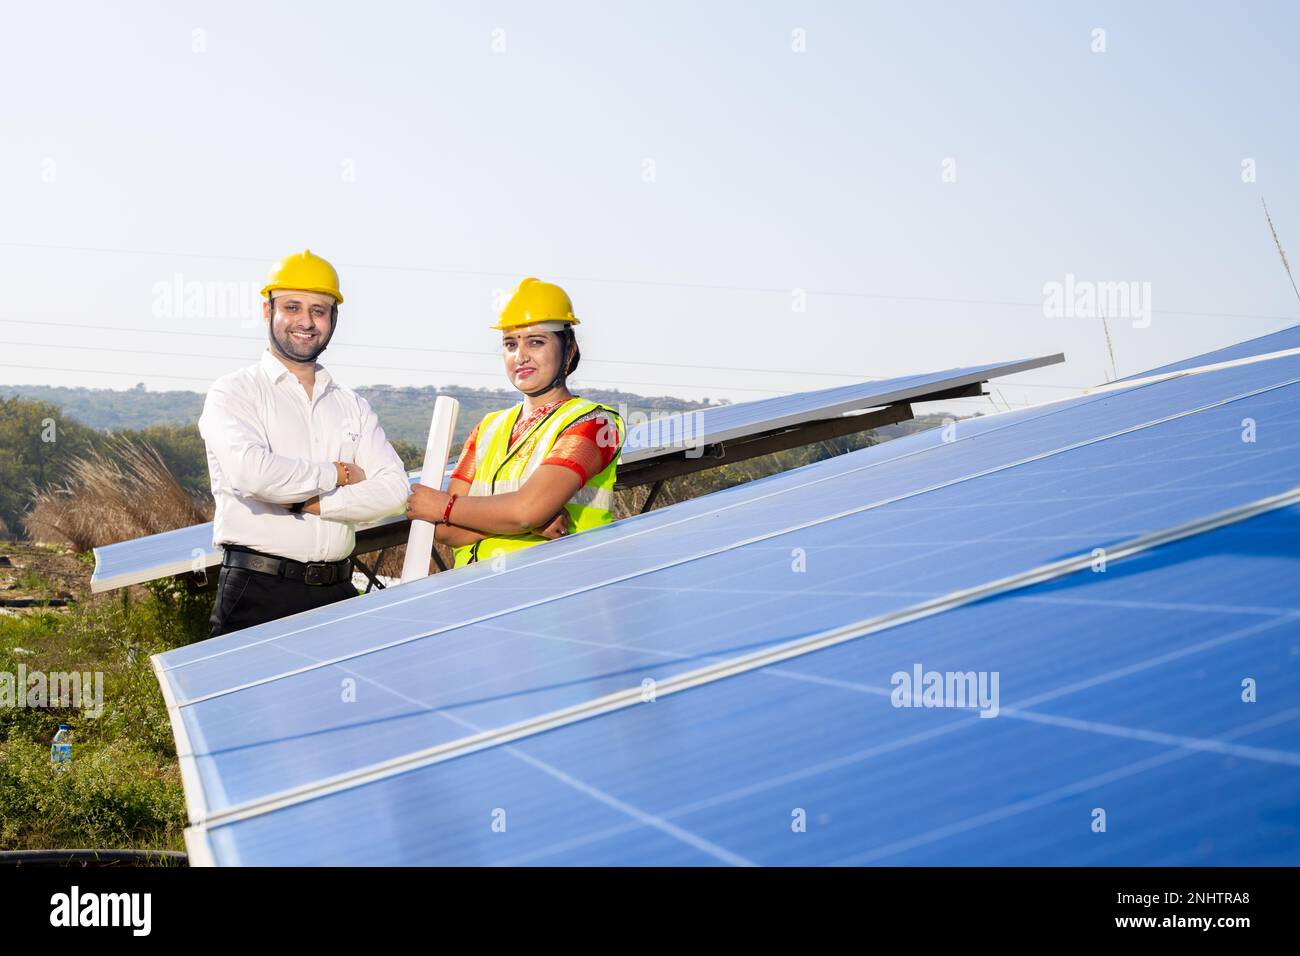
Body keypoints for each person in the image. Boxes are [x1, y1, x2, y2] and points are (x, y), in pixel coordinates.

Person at [199, 249, 410, 637]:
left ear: (333, 319)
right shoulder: (233, 392)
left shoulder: (352, 405)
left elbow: (395, 491)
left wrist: (310, 502)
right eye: (292, 307)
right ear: (268, 311)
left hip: (338, 593)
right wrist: (339, 472)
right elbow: (254, 474)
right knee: (250, 698)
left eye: (319, 310)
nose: (306, 322)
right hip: (257, 593)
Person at [406, 278, 624, 567]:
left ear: (569, 350)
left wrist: (448, 507)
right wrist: (524, 521)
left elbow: (525, 510)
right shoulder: (488, 427)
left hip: (557, 591)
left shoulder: (595, 424)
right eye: (510, 344)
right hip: (476, 591)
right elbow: (445, 530)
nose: (520, 356)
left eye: (536, 341)